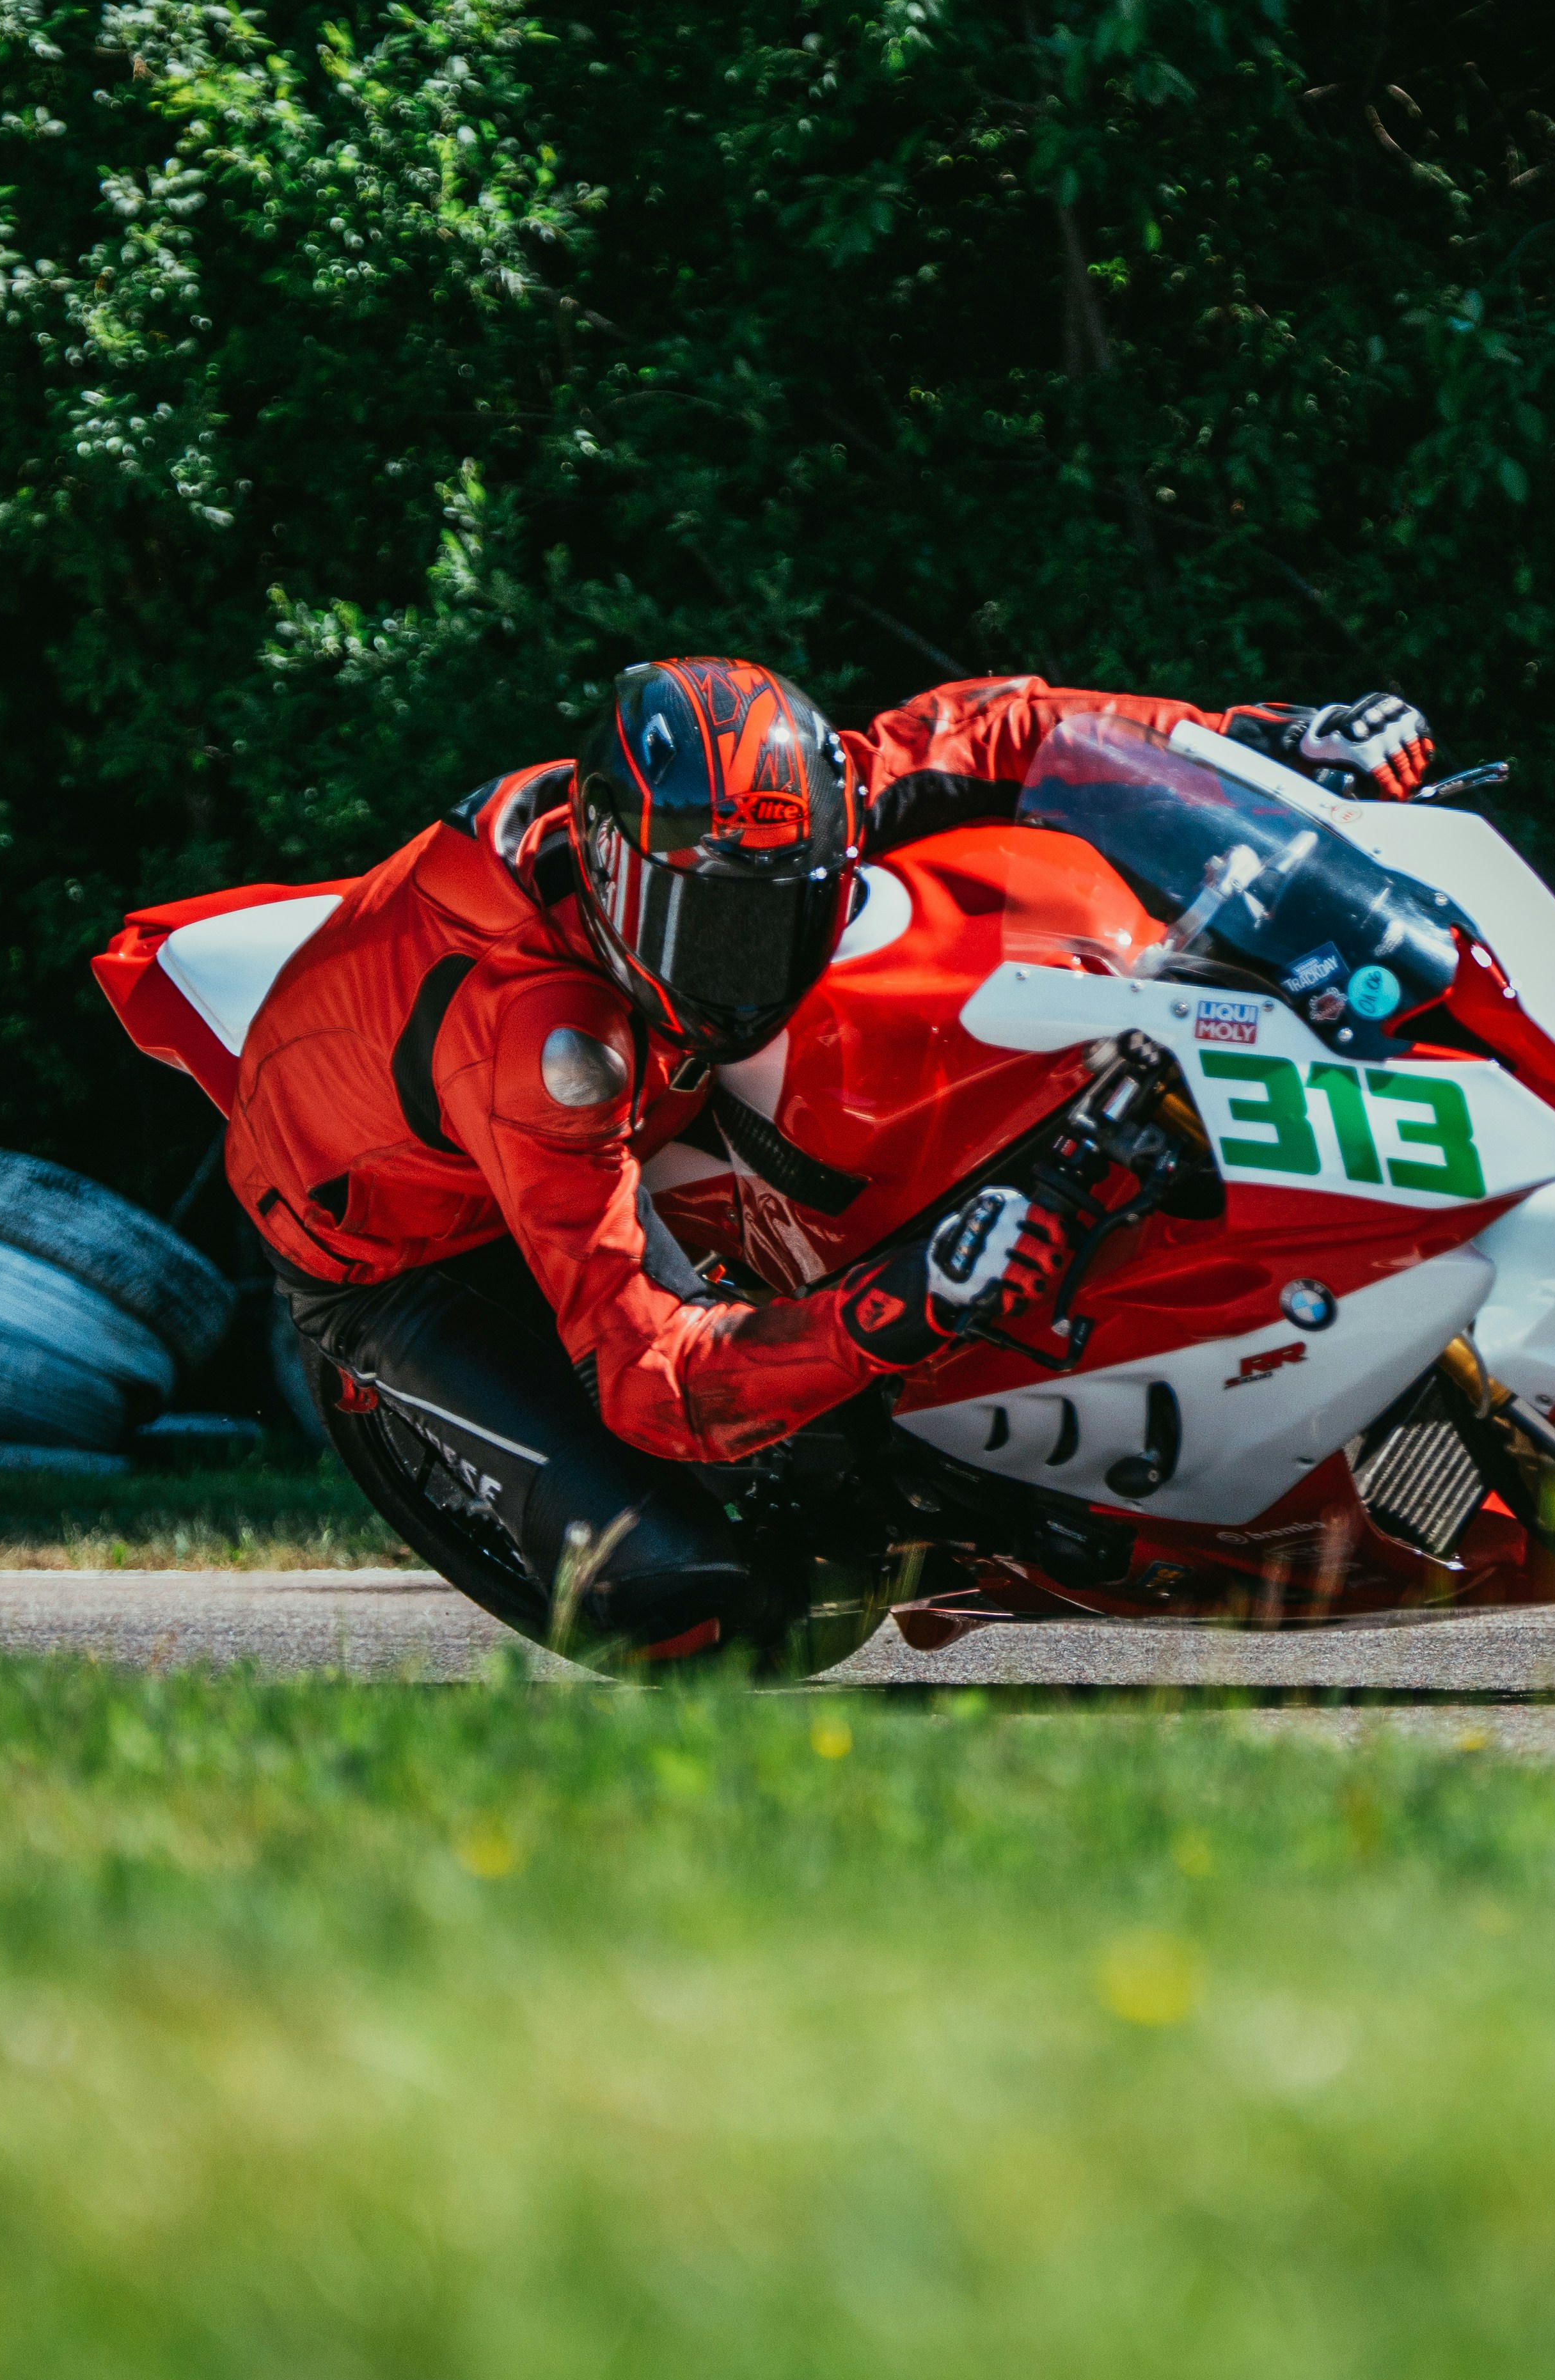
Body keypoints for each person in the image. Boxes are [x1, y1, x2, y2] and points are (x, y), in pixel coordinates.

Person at [99, 661, 1435, 1662]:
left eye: (779, 915)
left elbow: (1012, 729)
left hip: (616, 1092)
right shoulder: (547, 1045)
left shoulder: (772, 807)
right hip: (409, 1241)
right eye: (707, 927)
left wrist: (1264, 739)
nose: (745, 968)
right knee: (725, 1621)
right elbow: (650, 1380)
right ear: (616, 873)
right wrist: (903, 1303)